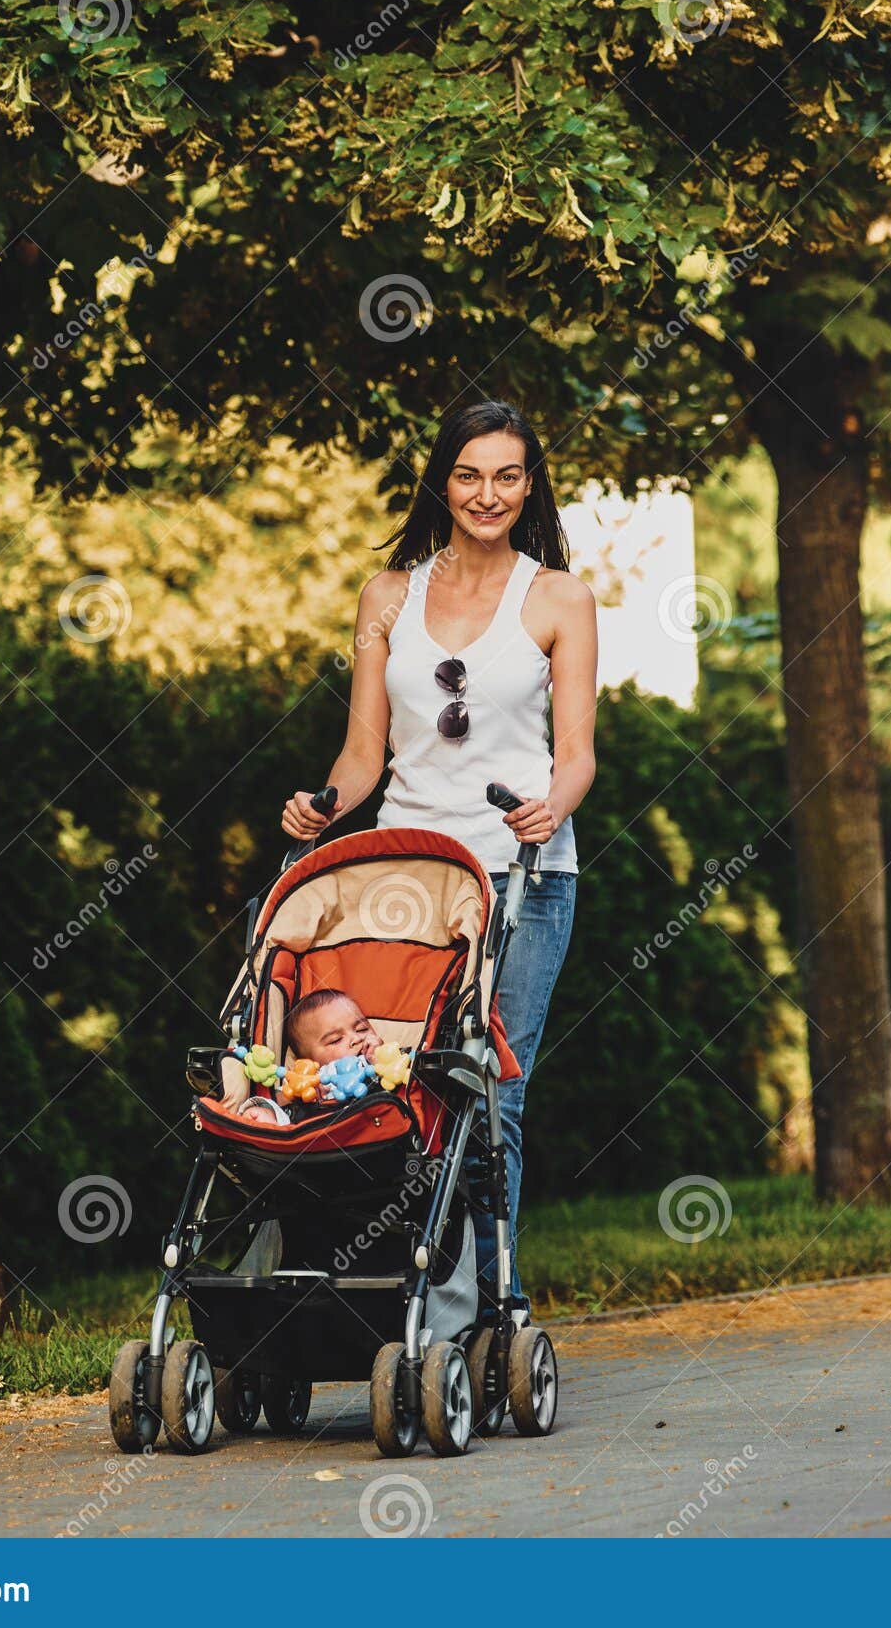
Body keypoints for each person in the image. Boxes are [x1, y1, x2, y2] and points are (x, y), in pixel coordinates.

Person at [281, 399, 597, 1319]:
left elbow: (575, 752)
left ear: (528, 484)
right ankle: (414, 1293)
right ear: (442, 482)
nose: (487, 494)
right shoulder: (387, 597)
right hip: (412, 879)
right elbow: (363, 754)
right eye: (468, 474)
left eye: (506, 475)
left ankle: (494, 1307)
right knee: (406, 1082)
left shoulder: (558, 598)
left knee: (495, 1088)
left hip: (526, 875)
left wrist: (552, 807)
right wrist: (324, 807)